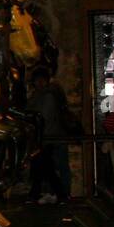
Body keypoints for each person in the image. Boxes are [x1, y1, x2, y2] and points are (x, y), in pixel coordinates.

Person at [28, 67, 72, 204]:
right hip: (46, 137)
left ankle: (58, 193)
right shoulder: (42, 95)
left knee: (48, 166)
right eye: (37, 80)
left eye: (41, 80)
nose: (39, 82)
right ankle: (48, 193)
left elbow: (43, 117)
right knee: (45, 167)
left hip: (49, 137)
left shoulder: (47, 96)